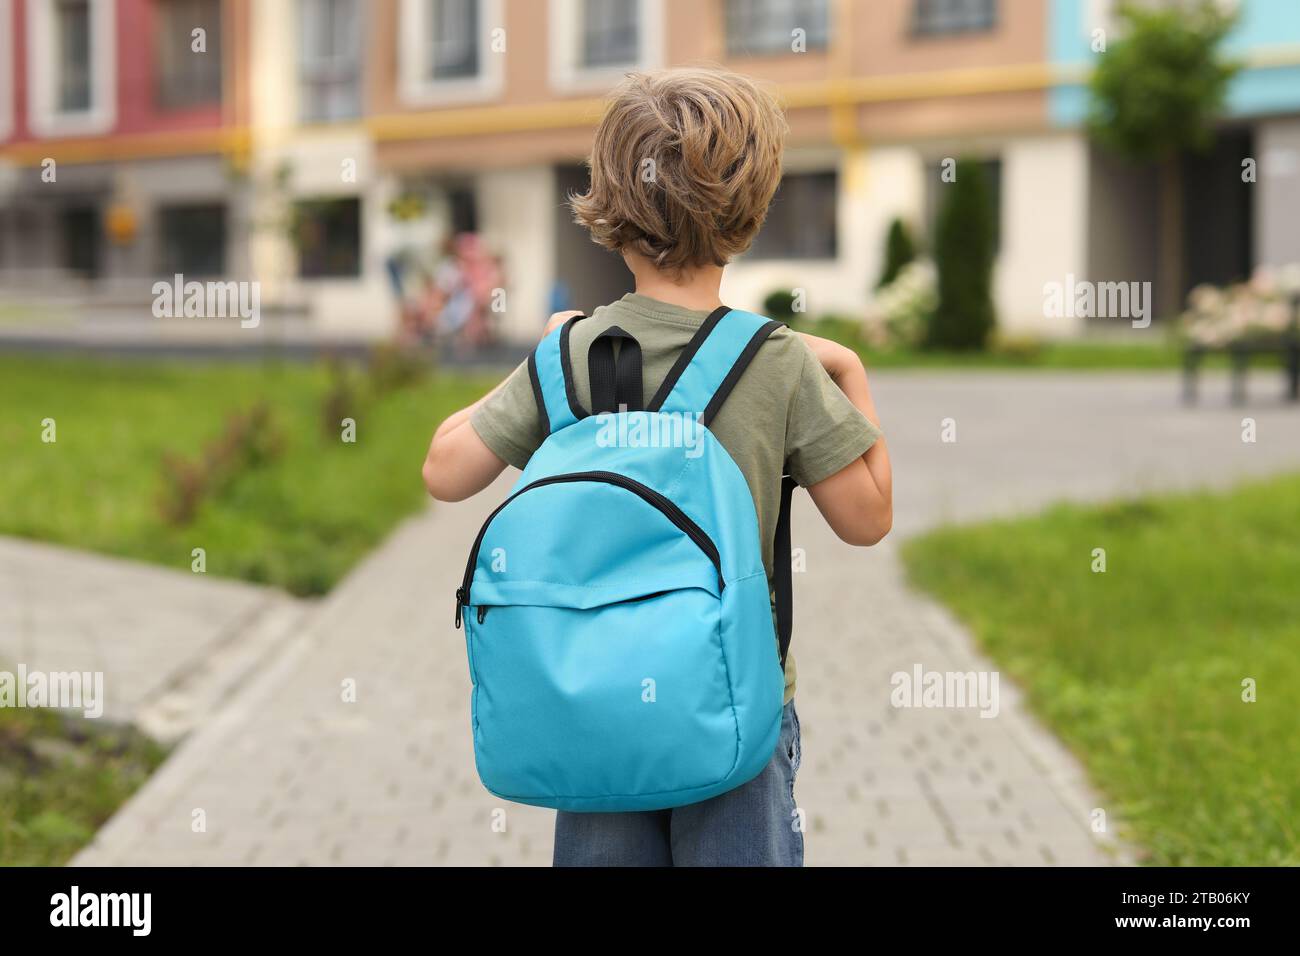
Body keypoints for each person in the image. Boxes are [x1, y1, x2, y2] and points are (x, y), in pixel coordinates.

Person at [421, 67, 892, 866]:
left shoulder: (570, 352)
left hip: (591, 706)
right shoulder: (775, 362)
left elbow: (445, 468)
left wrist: (547, 356)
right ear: (751, 207)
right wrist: (850, 373)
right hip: (732, 708)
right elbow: (867, 519)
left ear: (609, 203)